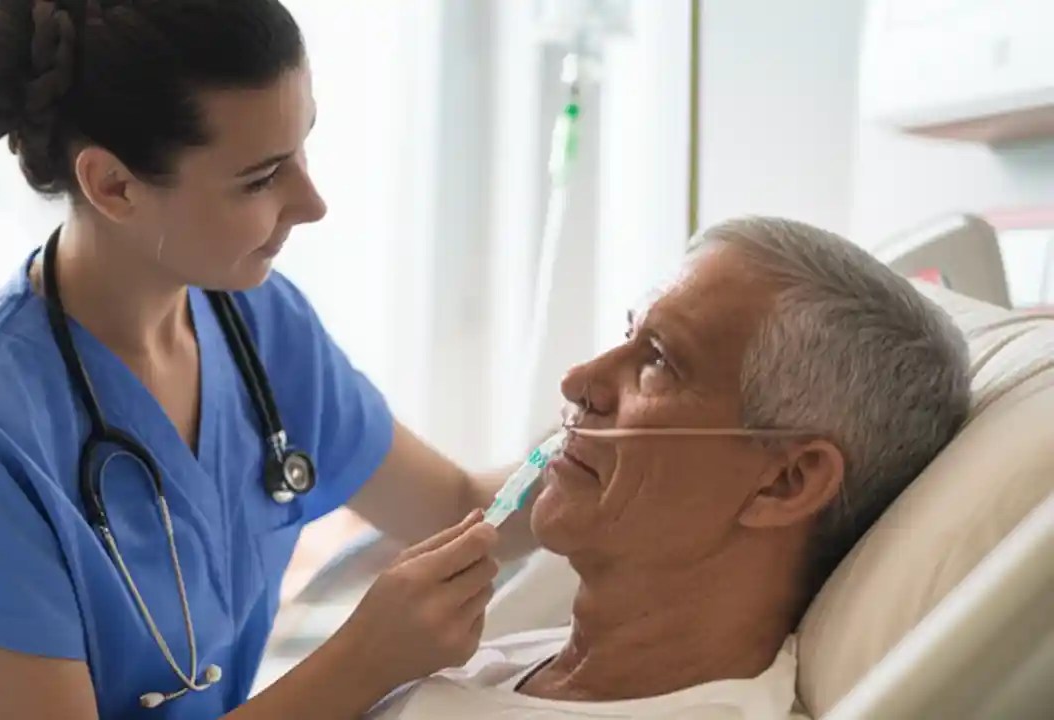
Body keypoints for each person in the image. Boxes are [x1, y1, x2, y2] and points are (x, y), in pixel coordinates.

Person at [0, 1, 535, 718]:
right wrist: (365, 659)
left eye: (302, 149)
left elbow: (456, 506)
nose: (313, 202)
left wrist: (607, 446)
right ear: (113, 186)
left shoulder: (259, 323)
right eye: (262, 178)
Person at [366, 216, 972, 719]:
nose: (580, 381)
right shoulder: (502, 663)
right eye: (628, 336)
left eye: (658, 360)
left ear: (787, 481)